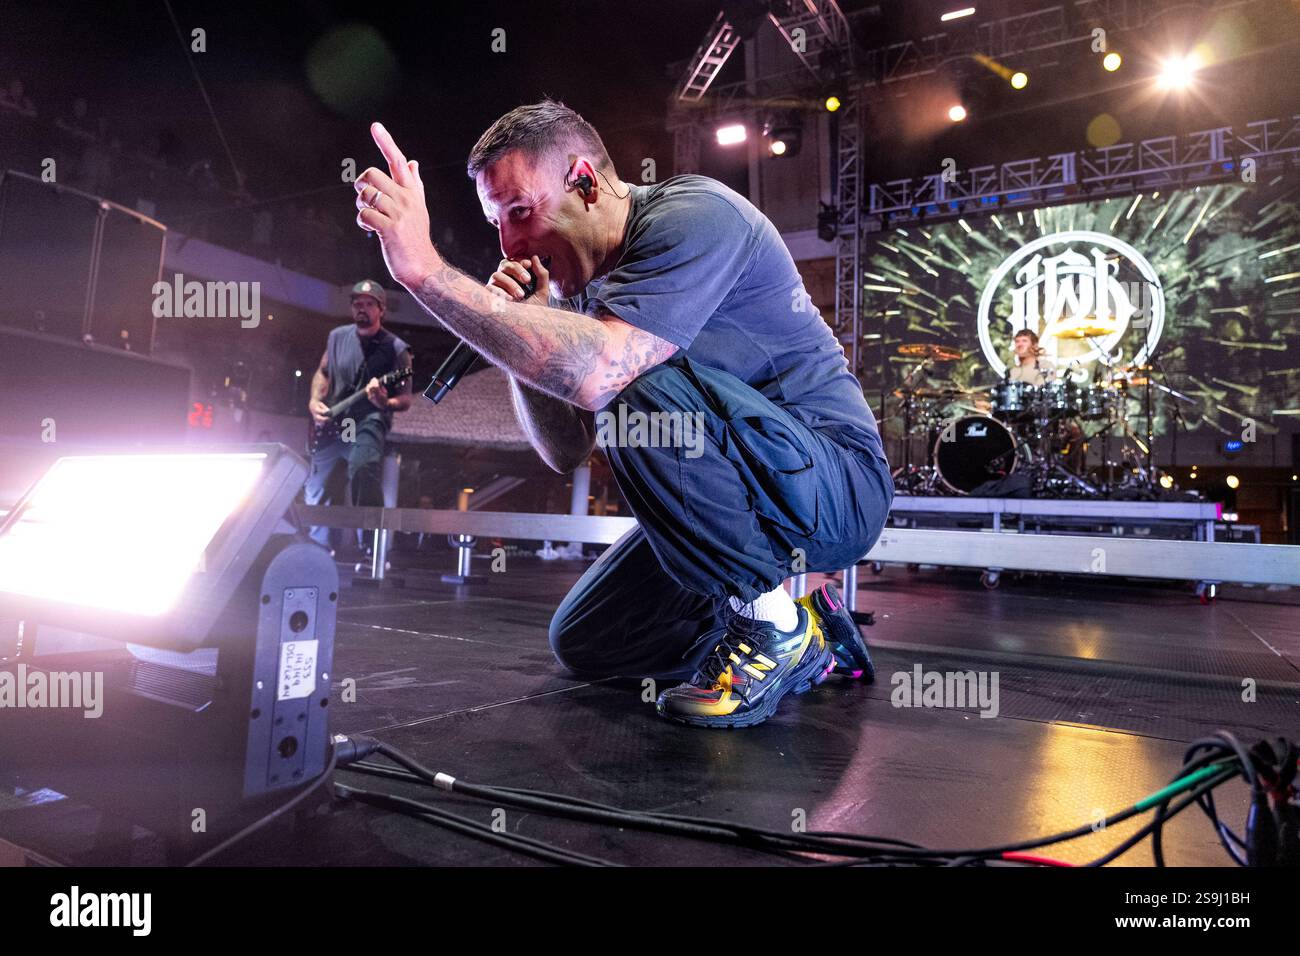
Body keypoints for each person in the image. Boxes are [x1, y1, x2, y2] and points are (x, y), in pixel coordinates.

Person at [351, 100, 893, 729]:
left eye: (521, 211)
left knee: (631, 385)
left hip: (837, 483)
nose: (511, 241)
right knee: (588, 640)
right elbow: (565, 452)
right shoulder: (581, 296)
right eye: (497, 223)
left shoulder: (696, 215)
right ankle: (815, 641)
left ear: (584, 180)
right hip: (746, 499)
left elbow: (604, 374)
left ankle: (769, 628)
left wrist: (426, 275)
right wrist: (521, 334)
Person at [304, 280, 413, 554]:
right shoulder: (337, 337)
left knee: (363, 468)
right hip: (333, 421)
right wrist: (315, 401)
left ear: (381, 310)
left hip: (368, 420)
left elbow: (405, 399)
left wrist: (384, 400)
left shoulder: (397, 349)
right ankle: (319, 548)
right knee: (317, 485)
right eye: (357, 303)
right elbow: (323, 372)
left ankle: (372, 546)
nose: (361, 308)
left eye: (368, 304)